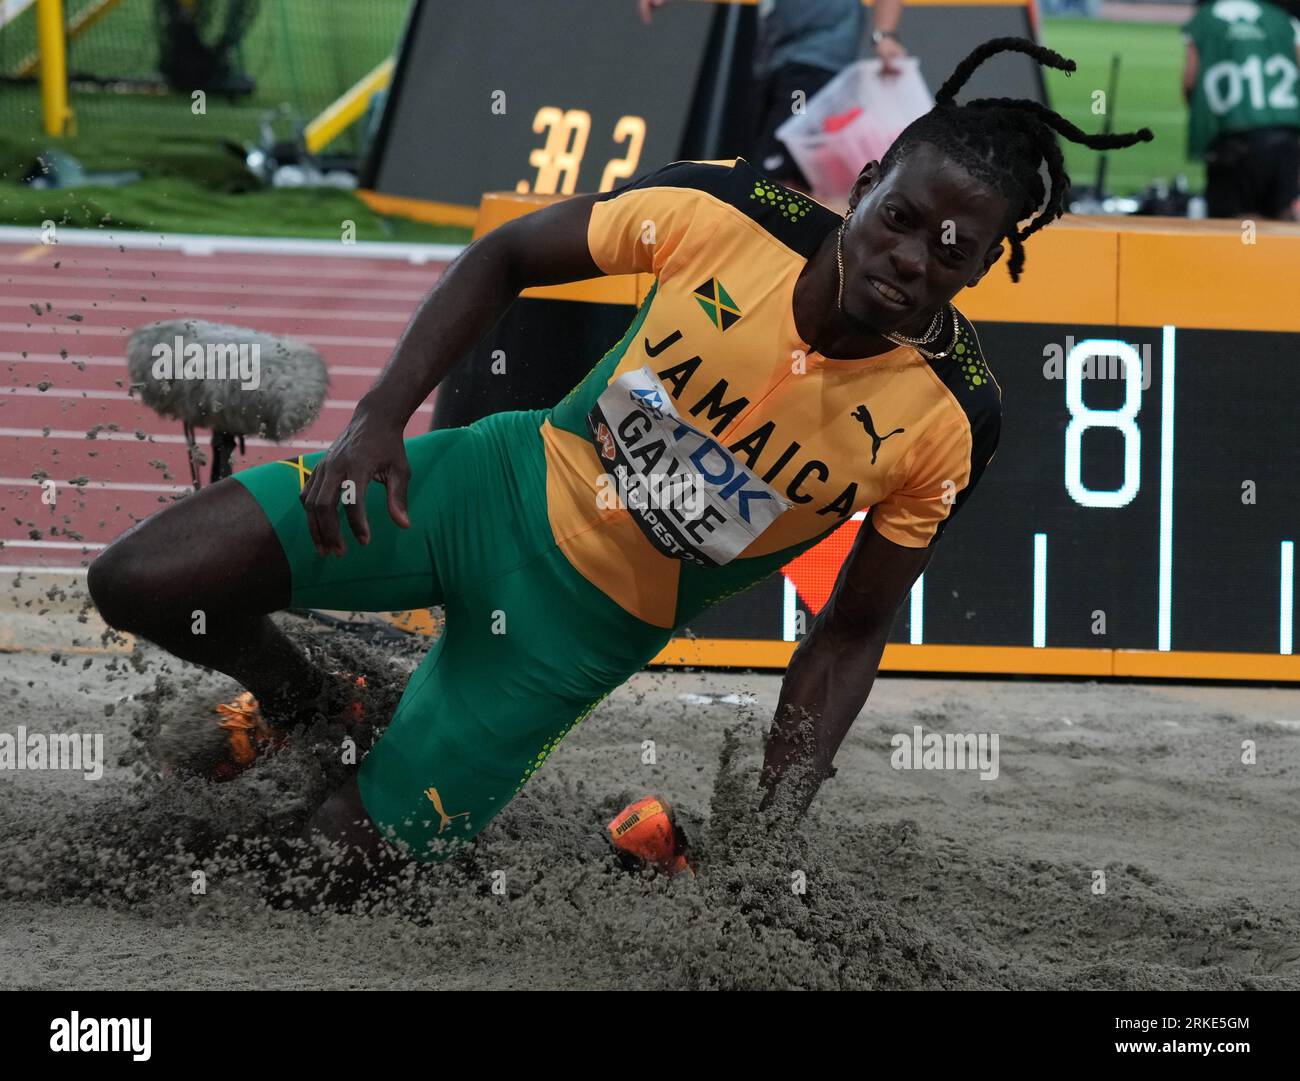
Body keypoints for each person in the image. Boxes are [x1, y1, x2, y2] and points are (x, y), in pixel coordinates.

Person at [87, 39, 1151, 887]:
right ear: (866, 183)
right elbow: (505, 255)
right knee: (138, 581)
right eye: (901, 217)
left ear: (985, 267)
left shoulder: (951, 419)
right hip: (483, 486)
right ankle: (321, 701)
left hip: (572, 634)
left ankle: (388, 761)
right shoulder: (726, 213)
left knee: (327, 867)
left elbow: (850, 631)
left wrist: (769, 833)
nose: (911, 256)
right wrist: (377, 423)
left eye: (952, 251)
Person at [640, 0, 910, 191]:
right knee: (768, 169)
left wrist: (884, 35)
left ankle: (785, 260)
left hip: (815, 63)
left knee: (781, 172)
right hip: (771, 61)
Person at [1183, 0, 1300, 220]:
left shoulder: (1205, 19)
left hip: (1234, 140)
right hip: (1285, 138)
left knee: (1237, 228)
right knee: (1284, 222)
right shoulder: (1284, 19)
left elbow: (1190, 81)